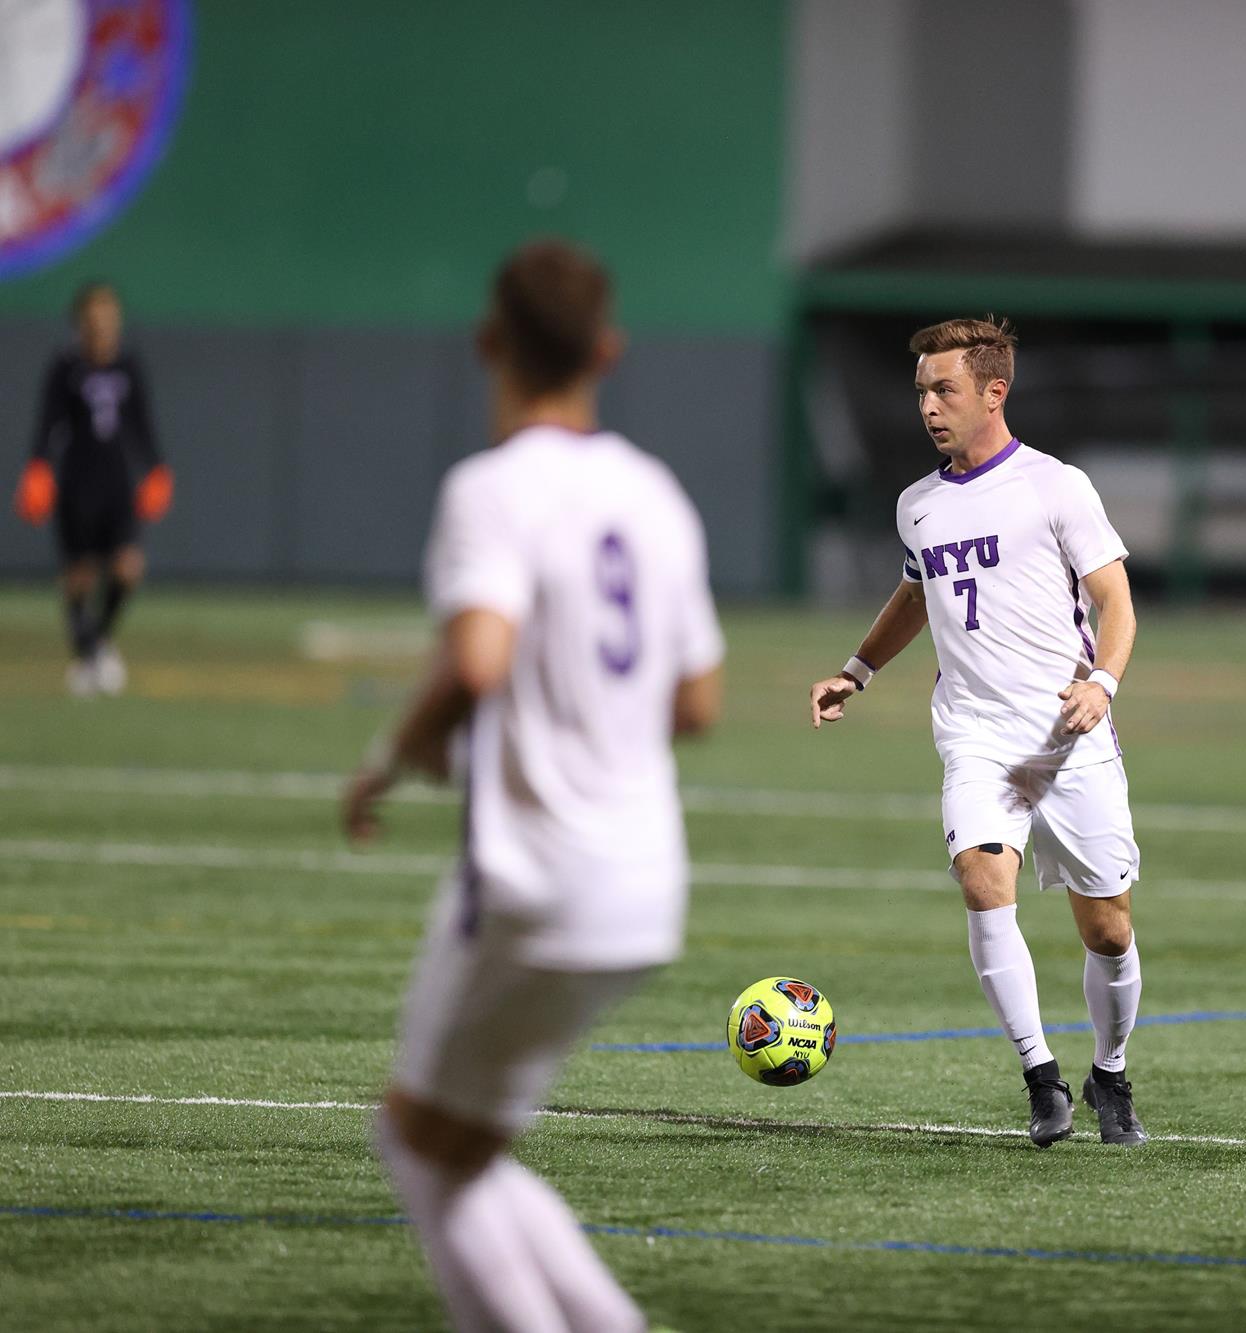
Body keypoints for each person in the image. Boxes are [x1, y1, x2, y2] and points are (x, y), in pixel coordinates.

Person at [342, 238, 724, 1331]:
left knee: (419, 1144)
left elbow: (475, 659)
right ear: (607, 349)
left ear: (488, 341)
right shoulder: (655, 494)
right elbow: (696, 703)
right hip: (646, 886)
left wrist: (393, 753)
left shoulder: (493, 489)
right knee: (464, 1149)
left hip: (534, 878)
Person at [808, 317, 1147, 1148]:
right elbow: (917, 595)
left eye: (944, 388)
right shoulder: (916, 505)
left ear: (995, 391)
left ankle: (1110, 1071)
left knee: (1108, 928)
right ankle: (1041, 1078)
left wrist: (1101, 684)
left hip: (1065, 735)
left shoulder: (1056, 486)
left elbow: (1116, 602)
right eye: (921, 389)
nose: (928, 405)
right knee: (981, 880)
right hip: (975, 735)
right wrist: (857, 669)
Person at [13, 281, 173, 696]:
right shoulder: (66, 367)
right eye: (95, 318)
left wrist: (156, 469)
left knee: (127, 567)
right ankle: (88, 655)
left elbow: (142, 423)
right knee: (80, 575)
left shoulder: (128, 366)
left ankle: (96, 645)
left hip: (117, 481)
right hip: (77, 481)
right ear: (81, 323)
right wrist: (38, 469)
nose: (103, 326)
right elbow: (48, 423)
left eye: (109, 316)